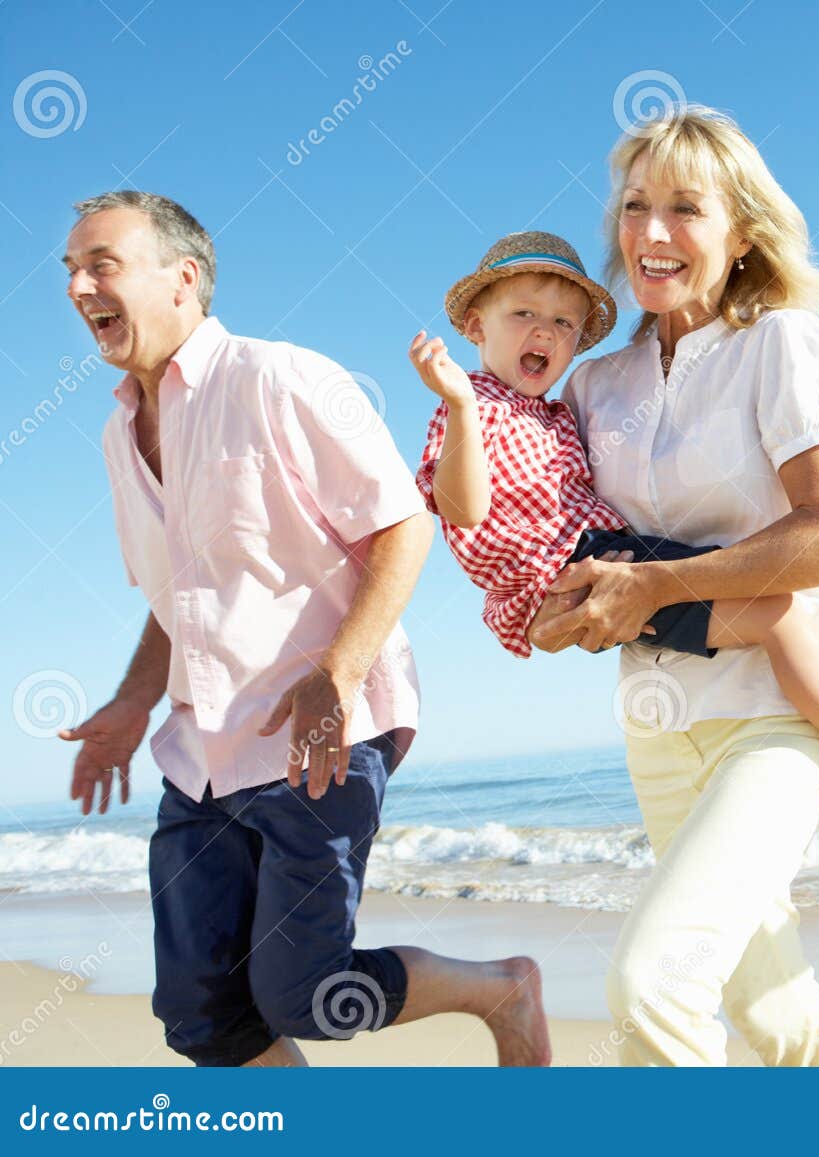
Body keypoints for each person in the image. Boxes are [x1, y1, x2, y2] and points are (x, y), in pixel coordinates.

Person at [58, 191, 550, 1067]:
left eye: (102, 263)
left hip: (317, 736)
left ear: (185, 279)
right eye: (70, 269)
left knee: (307, 994)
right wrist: (133, 703)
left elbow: (405, 524)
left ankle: (502, 987)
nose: (79, 285)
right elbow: (181, 599)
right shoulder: (115, 430)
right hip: (199, 757)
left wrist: (340, 670)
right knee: (204, 1017)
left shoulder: (280, 377)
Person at [522, 108, 819, 1065]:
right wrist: (560, 610)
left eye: (686, 207)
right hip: (656, 723)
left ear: (743, 234)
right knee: (775, 1014)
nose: (651, 231)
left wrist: (653, 585)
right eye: (636, 207)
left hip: (781, 713)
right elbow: (574, 547)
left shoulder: (783, 345)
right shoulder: (596, 386)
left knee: (652, 984)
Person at [410, 231, 819, 804]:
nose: (543, 331)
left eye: (563, 324)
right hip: (579, 563)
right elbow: (464, 510)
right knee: (777, 616)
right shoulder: (469, 407)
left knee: (775, 615)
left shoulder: (556, 411)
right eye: (523, 313)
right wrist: (457, 405)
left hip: (600, 559)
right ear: (476, 326)